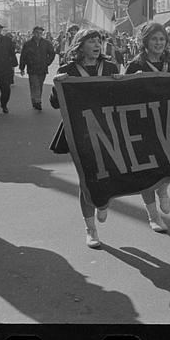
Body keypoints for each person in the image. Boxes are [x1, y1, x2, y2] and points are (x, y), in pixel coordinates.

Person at [49, 28, 120, 249]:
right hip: (80, 132)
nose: (97, 45)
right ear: (80, 45)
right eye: (91, 41)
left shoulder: (110, 67)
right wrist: (57, 84)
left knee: (108, 175)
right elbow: (55, 103)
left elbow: (121, 99)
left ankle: (102, 201)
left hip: (107, 130)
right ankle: (90, 230)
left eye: (99, 41)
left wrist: (122, 83)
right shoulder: (67, 69)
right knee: (87, 179)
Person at [124, 22, 170, 233]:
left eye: (161, 39)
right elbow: (123, 95)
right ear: (145, 42)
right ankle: (153, 215)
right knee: (147, 171)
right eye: (154, 39)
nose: (158, 43)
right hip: (145, 125)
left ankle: (164, 188)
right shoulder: (134, 65)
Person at [18, 25, 56, 111]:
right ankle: (37, 101)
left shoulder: (46, 43)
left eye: (40, 33)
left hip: (42, 68)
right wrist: (22, 68)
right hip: (32, 68)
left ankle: (35, 100)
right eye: (36, 33)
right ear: (33, 33)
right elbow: (23, 56)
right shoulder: (28, 44)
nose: (38, 35)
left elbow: (52, 54)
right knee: (35, 85)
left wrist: (47, 62)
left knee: (40, 85)